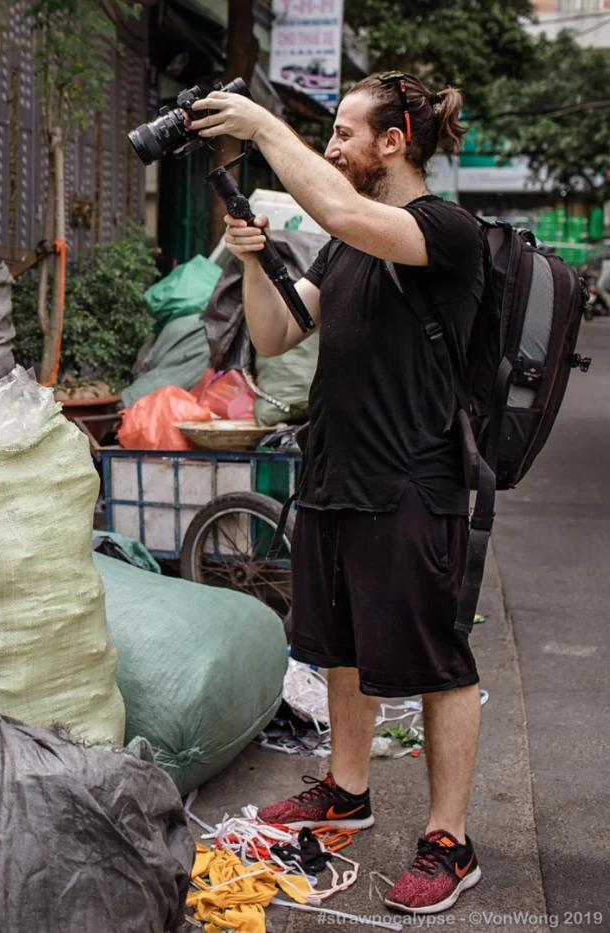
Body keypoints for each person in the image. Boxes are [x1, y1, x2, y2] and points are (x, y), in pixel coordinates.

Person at [189, 74, 484, 915]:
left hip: (412, 479)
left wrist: (260, 123)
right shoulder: (351, 246)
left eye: (346, 134)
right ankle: (346, 790)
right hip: (335, 476)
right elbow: (281, 329)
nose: (331, 148)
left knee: (437, 661)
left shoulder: (440, 230)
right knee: (344, 649)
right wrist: (252, 260)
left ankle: (449, 841)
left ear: (395, 142)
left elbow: (347, 212)